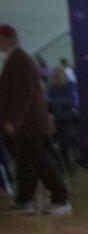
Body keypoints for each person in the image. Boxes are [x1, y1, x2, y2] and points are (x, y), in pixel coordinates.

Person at [0, 24, 71, 214]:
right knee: (25, 163)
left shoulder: (19, 60)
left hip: (30, 125)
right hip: (26, 124)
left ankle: (60, 199)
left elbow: (24, 94)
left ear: (5, 40)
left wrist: (14, 120)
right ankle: (24, 200)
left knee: (42, 161)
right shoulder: (16, 59)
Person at [46, 65, 81, 174]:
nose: (56, 77)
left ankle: (76, 162)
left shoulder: (71, 86)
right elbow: (48, 102)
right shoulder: (51, 88)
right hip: (59, 120)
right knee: (63, 146)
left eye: (58, 75)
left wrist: (56, 103)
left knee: (71, 142)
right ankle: (68, 166)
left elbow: (73, 101)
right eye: (54, 75)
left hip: (71, 119)